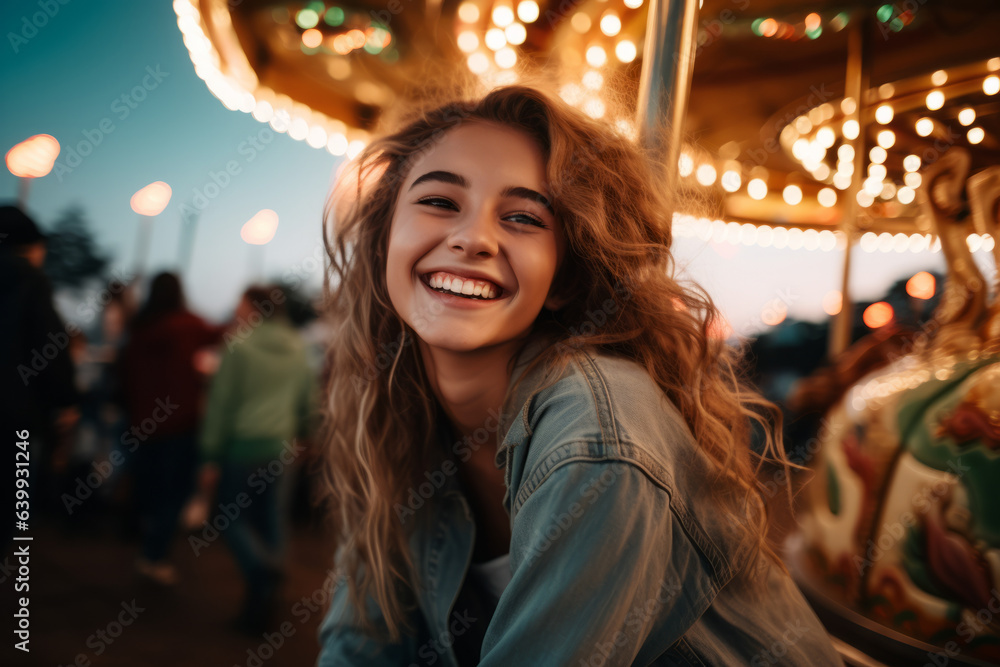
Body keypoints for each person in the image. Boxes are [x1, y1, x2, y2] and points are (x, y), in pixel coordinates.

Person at [315, 84, 845, 665]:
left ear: (565, 281)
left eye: (521, 217)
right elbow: (361, 643)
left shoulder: (597, 436)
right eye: (440, 202)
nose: (472, 238)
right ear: (385, 237)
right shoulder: (396, 415)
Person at [190, 285, 318, 634]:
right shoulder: (298, 347)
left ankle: (260, 571)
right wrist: (308, 435)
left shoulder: (238, 346)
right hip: (282, 447)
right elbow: (309, 397)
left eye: (241, 305)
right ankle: (268, 586)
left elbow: (221, 405)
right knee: (272, 519)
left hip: (241, 447)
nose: (237, 310)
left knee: (228, 518)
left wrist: (210, 455)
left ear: (255, 309)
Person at [120, 271, 224, 584]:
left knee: (148, 487)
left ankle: (142, 541)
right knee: (175, 492)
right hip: (180, 424)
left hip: (142, 423)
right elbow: (222, 333)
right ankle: (154, 555)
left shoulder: (140, 328)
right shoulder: (186, 326)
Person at [0, 205, 79, 553]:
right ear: (29, 246)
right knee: (11, 509)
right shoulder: (31, 283)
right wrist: (65, 400)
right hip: (13, 421)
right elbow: (50, 349)